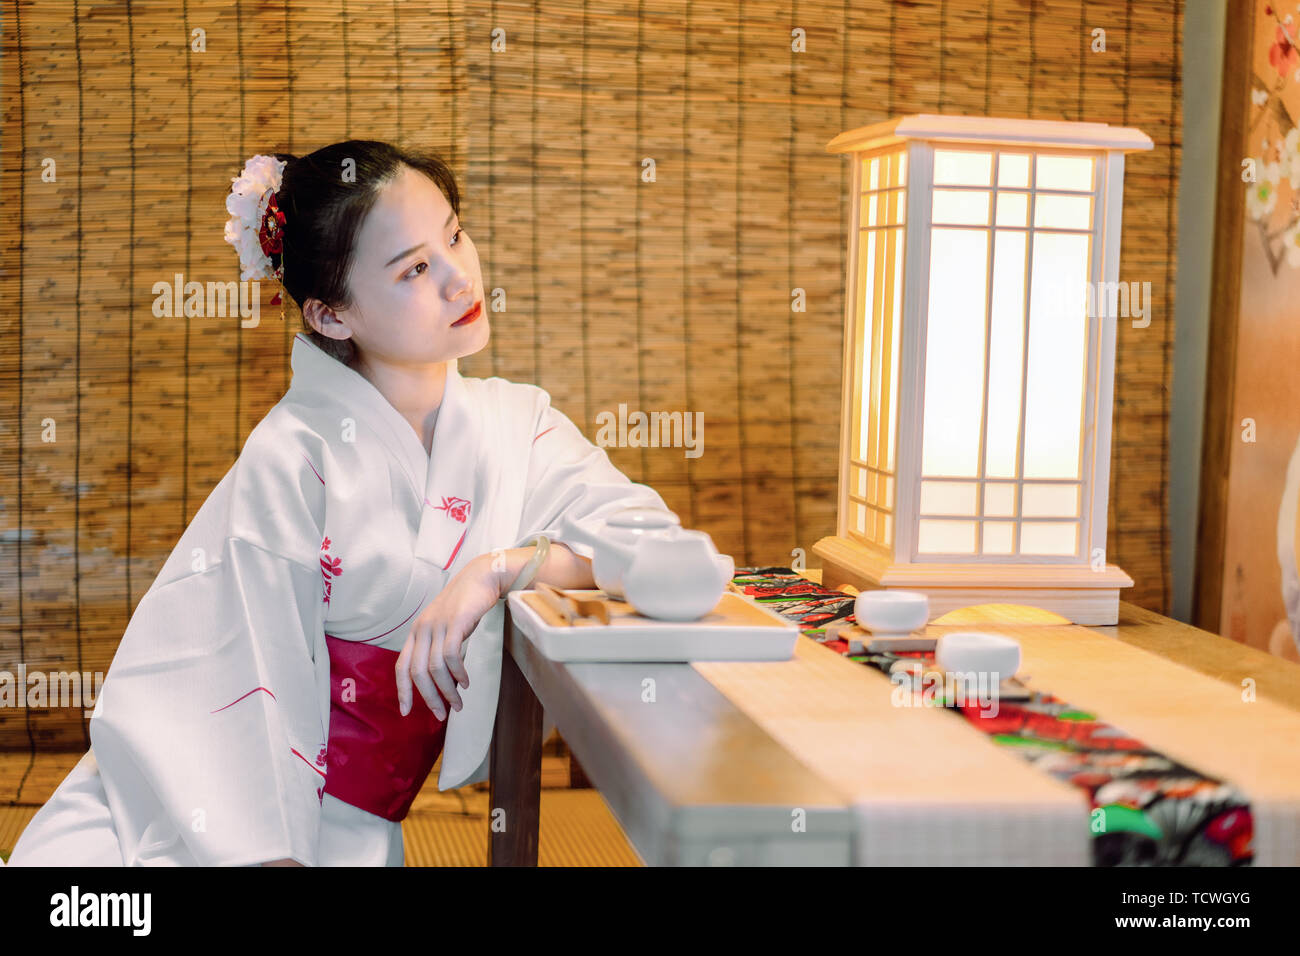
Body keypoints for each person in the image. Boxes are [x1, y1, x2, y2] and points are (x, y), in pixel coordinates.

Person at [7, 141, 671, 866]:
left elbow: (658, 554)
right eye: (415, 268)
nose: (459, 278)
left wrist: (497, 569)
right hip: (218, 823)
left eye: (454, 235)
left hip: (355, 829)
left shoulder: (519, 425)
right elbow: (236, 681)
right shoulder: (293, 455)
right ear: (330, 316)